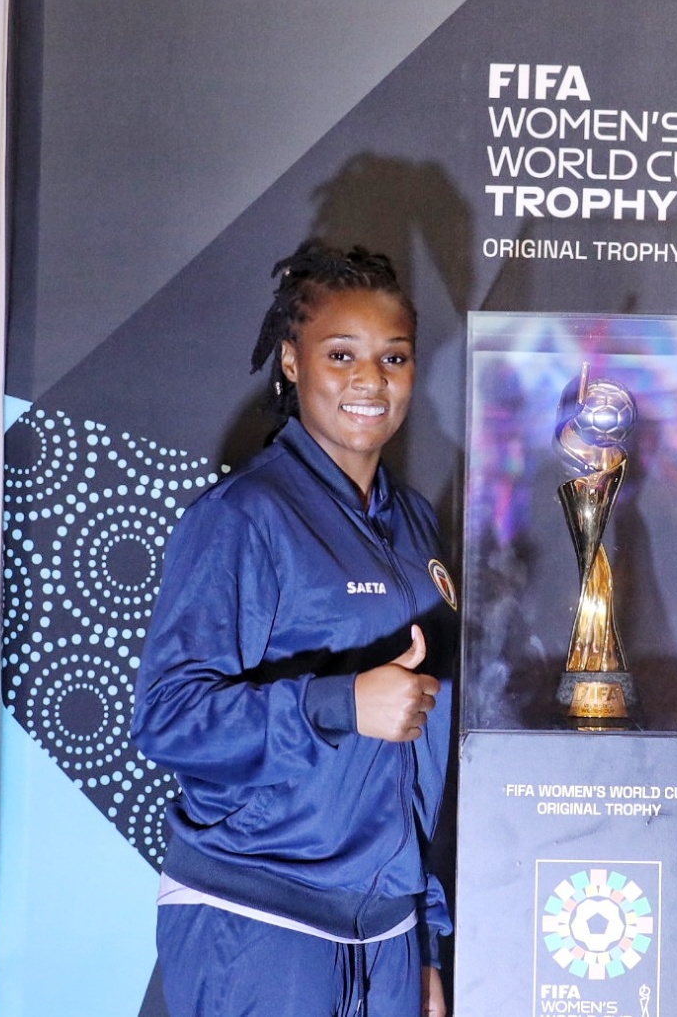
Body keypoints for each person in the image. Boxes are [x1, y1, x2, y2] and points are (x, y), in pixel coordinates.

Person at [132, 242, 457, 1017]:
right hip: (258, 919)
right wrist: (340, 703)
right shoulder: (245, 517)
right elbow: (167, 718)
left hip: (385, 935)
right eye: (341, 354)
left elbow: (419, 758)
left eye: (395, 357)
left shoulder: (413, 524)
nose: (371, 381)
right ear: (290, 360)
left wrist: (425, 936)